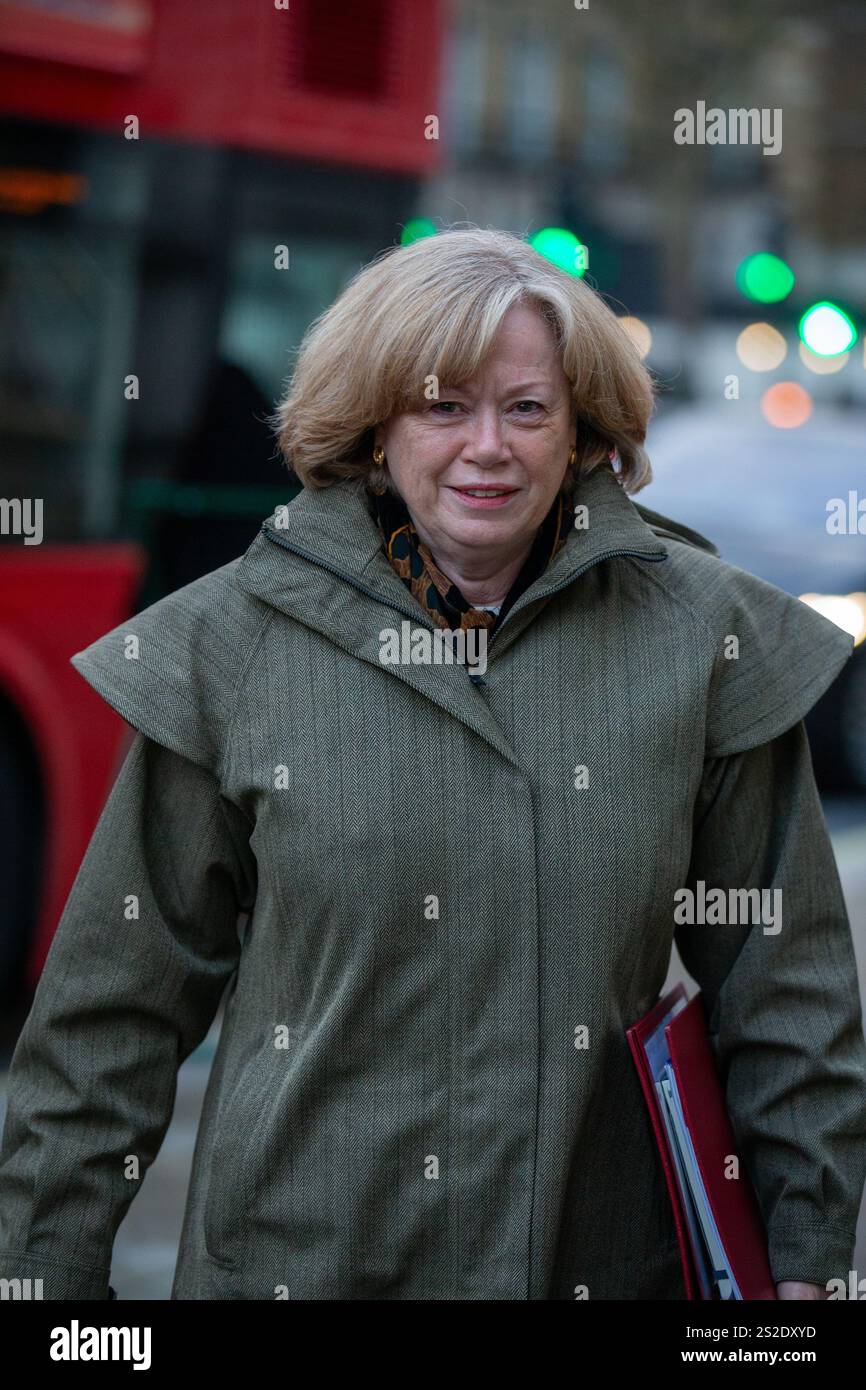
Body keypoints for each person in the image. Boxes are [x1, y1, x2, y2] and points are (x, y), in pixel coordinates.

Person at [1, 227, 864, 1301]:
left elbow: (784, 992)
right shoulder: (234, 646)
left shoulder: (701, 640)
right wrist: (43, 1279)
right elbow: (110, 1017)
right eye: (442, 405)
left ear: (581, 429)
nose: (486, 446)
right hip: (294, 1267)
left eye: (526, 407)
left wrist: (806, 1259)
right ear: (374, 426)